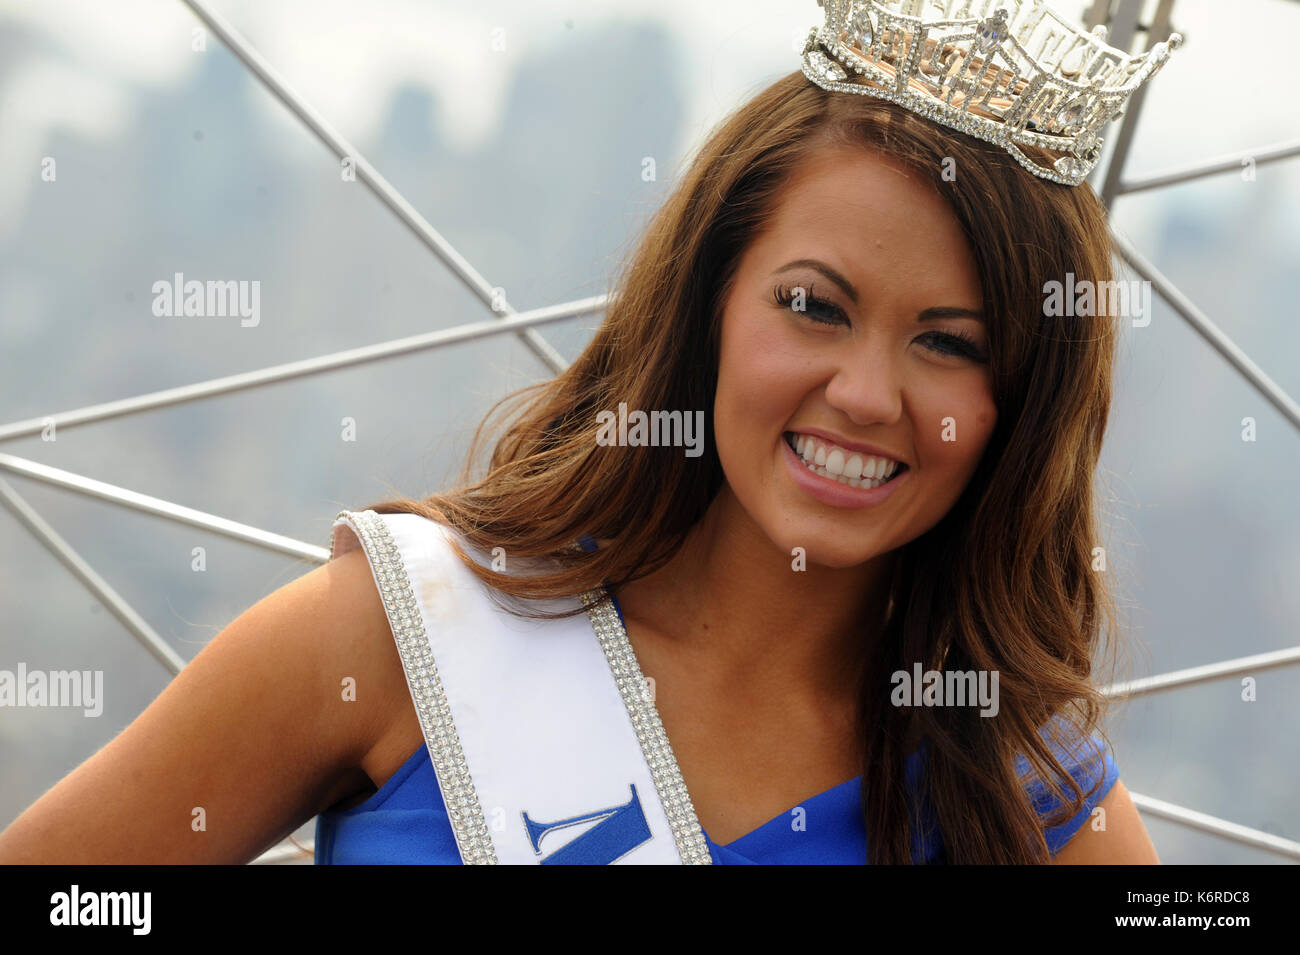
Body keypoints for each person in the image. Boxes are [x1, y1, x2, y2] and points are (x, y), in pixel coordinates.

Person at [0, 10, 1170, 865]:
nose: (866, 394)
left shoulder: (1028, 794)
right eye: (813, 306)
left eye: (949, 343)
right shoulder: (398, 634)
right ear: (708, 302)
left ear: (1024, 401)